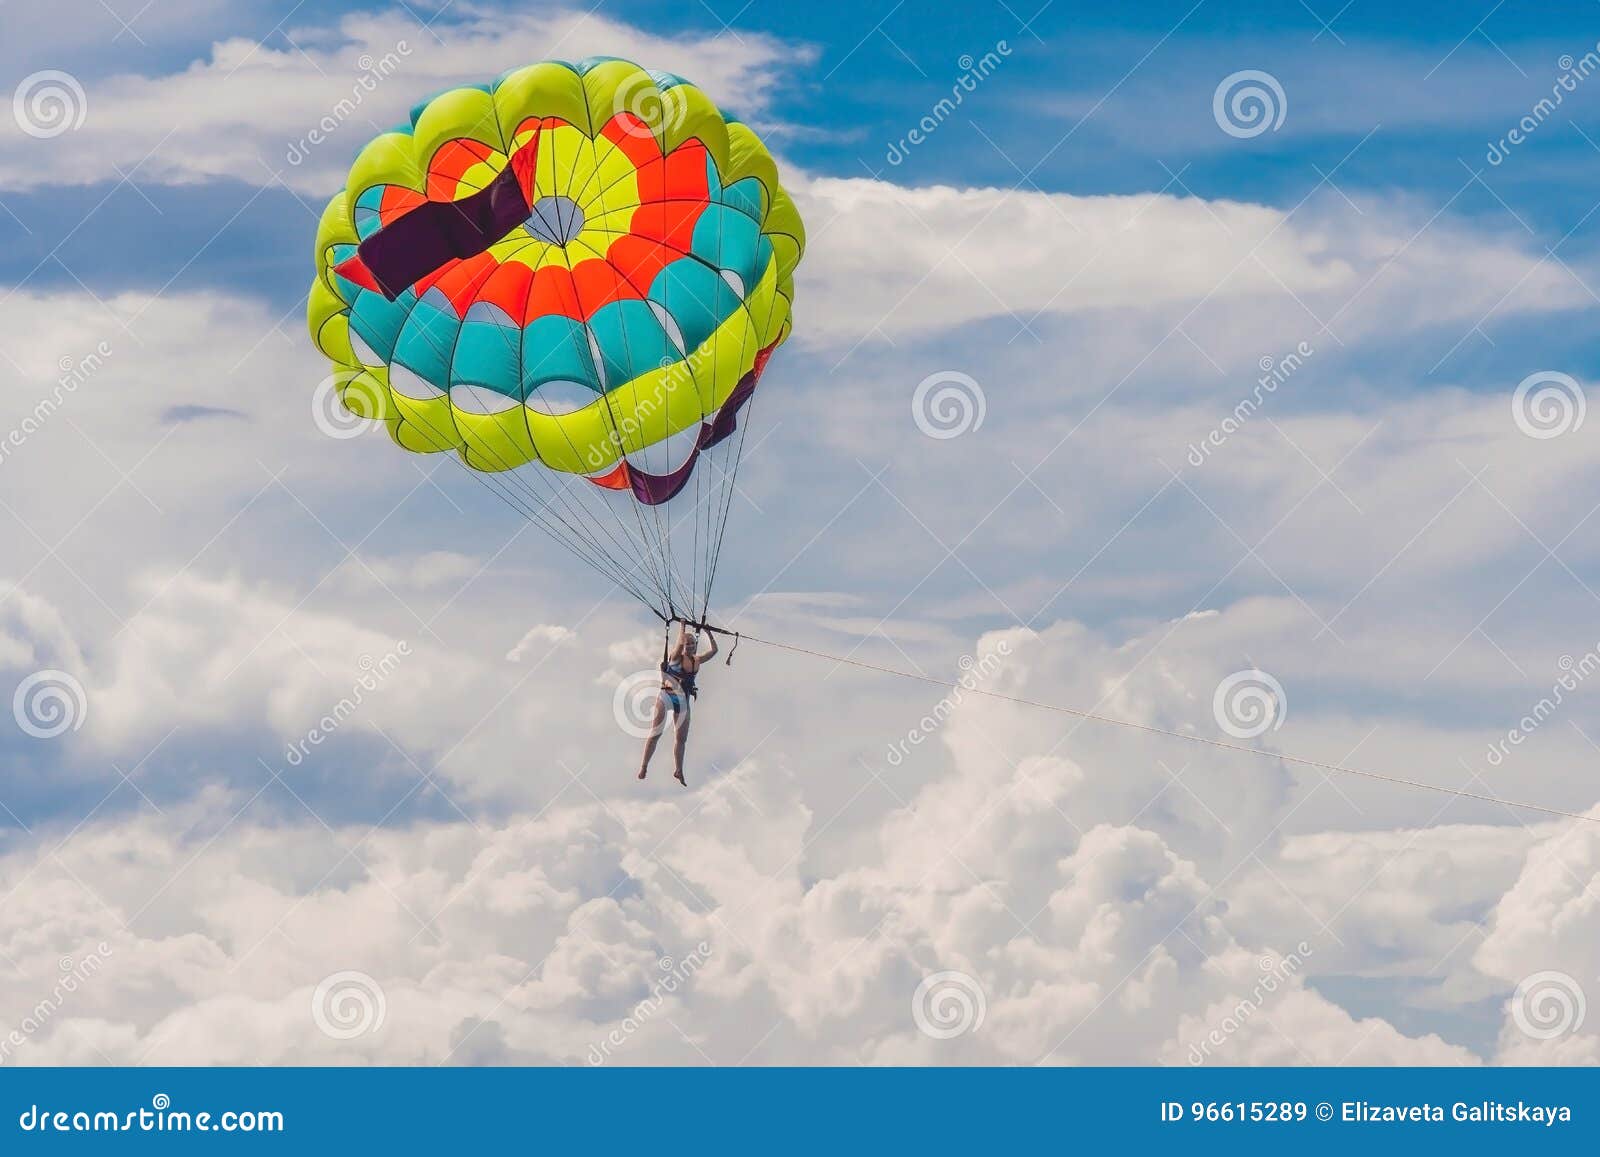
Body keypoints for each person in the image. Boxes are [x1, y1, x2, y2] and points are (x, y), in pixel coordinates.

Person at [637, 620, 717, 786]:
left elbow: (714, 651)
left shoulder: (698, 660)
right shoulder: (675, 658)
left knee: (681, 739)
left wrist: (708, 633)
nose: (689, 647)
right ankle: (644, 766)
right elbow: (679, 644)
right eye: (686, 644)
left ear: (695, 645)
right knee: (655, 733)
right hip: (667, 696)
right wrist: (682, 626)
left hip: (683, 701)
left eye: (692, 644)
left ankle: (678, 770)